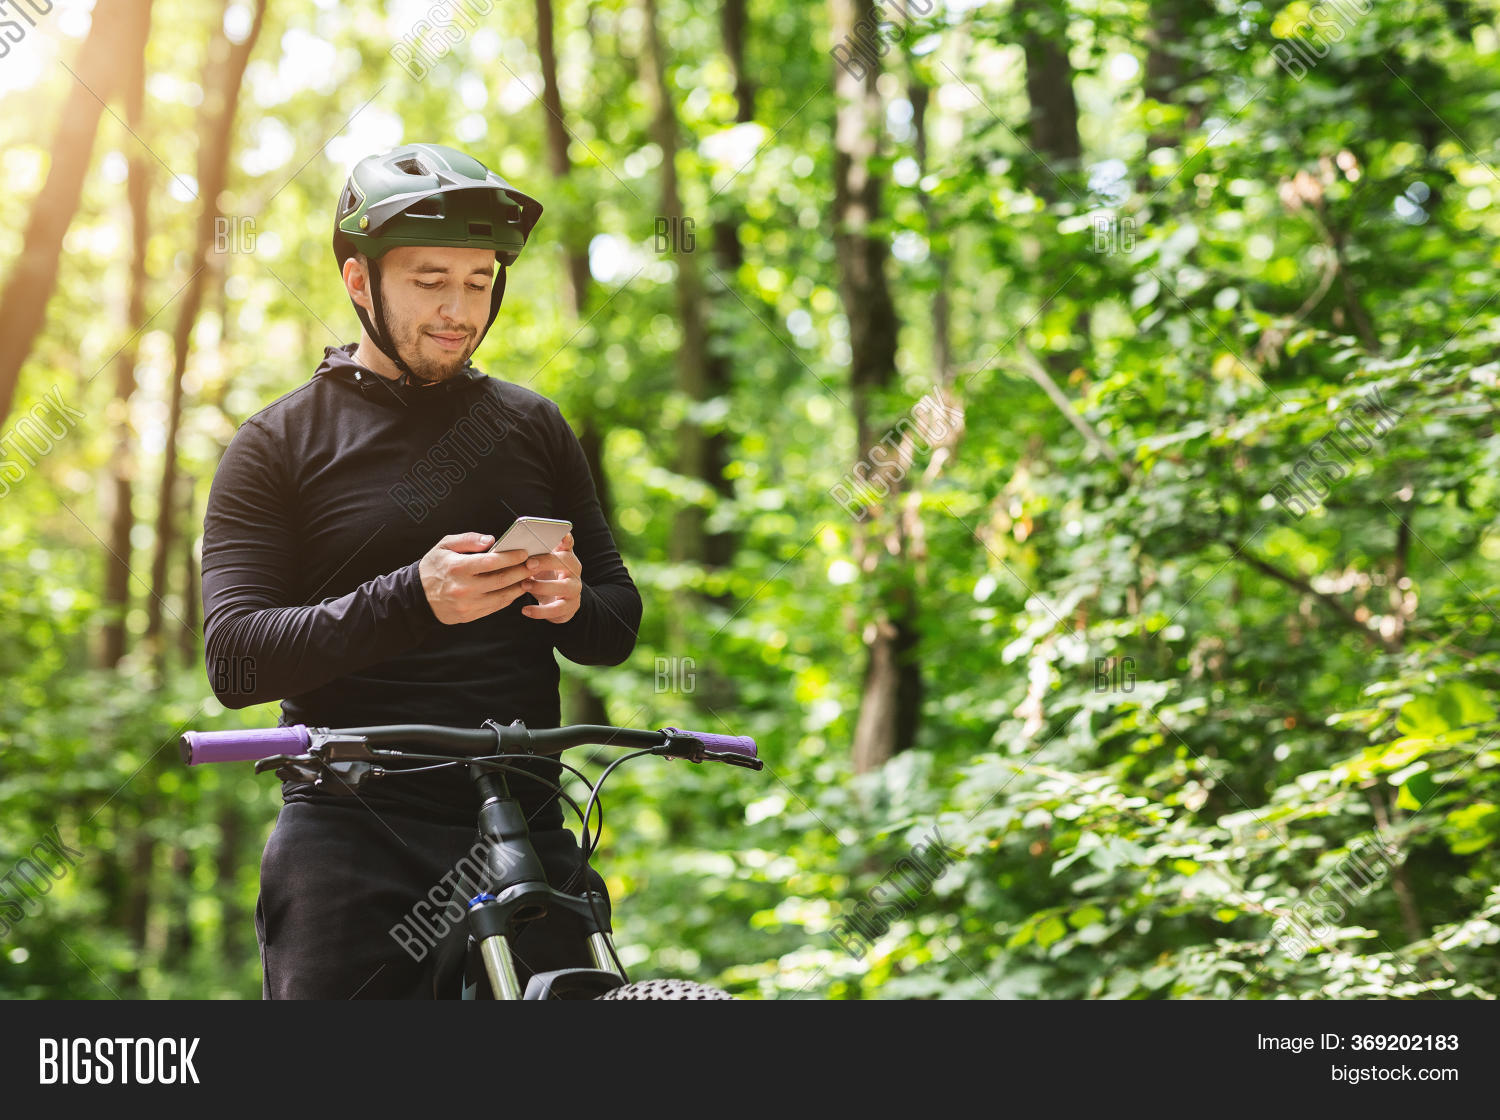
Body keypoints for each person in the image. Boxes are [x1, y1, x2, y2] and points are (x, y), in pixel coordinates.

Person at [199, 142, 641, 998]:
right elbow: (236, 661)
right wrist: (414, 598)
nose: (458, 310)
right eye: (430, 280)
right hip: (351, 835)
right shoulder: (276, 445)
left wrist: (573, 602)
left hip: (526, 823)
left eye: (478, 282)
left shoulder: (535, 427)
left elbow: (616, 625)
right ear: (360, 281)